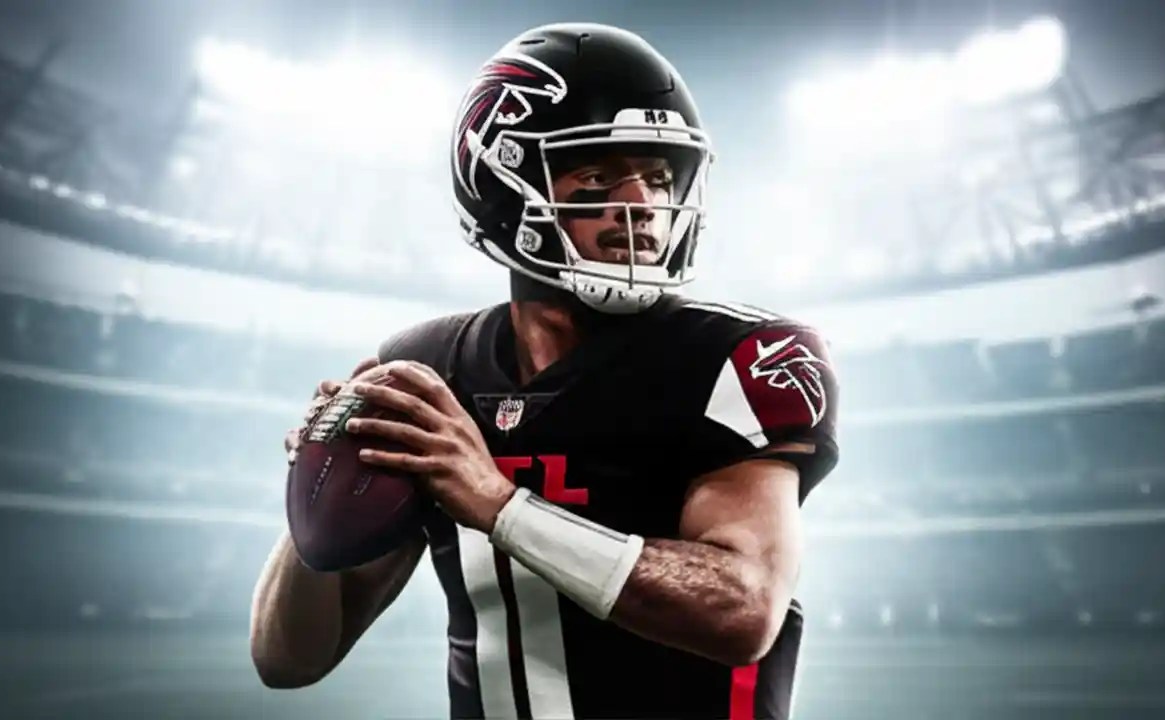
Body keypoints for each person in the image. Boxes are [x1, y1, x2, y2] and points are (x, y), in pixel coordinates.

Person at [250, 23, 839, 720]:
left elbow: (742, 610)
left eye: (657, 177)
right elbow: (288, 659)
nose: (643, 206)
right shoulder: (429, 371)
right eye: (597, 175)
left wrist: (497, 505)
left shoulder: (735, 356)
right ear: (502, 187)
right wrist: (319, 491)